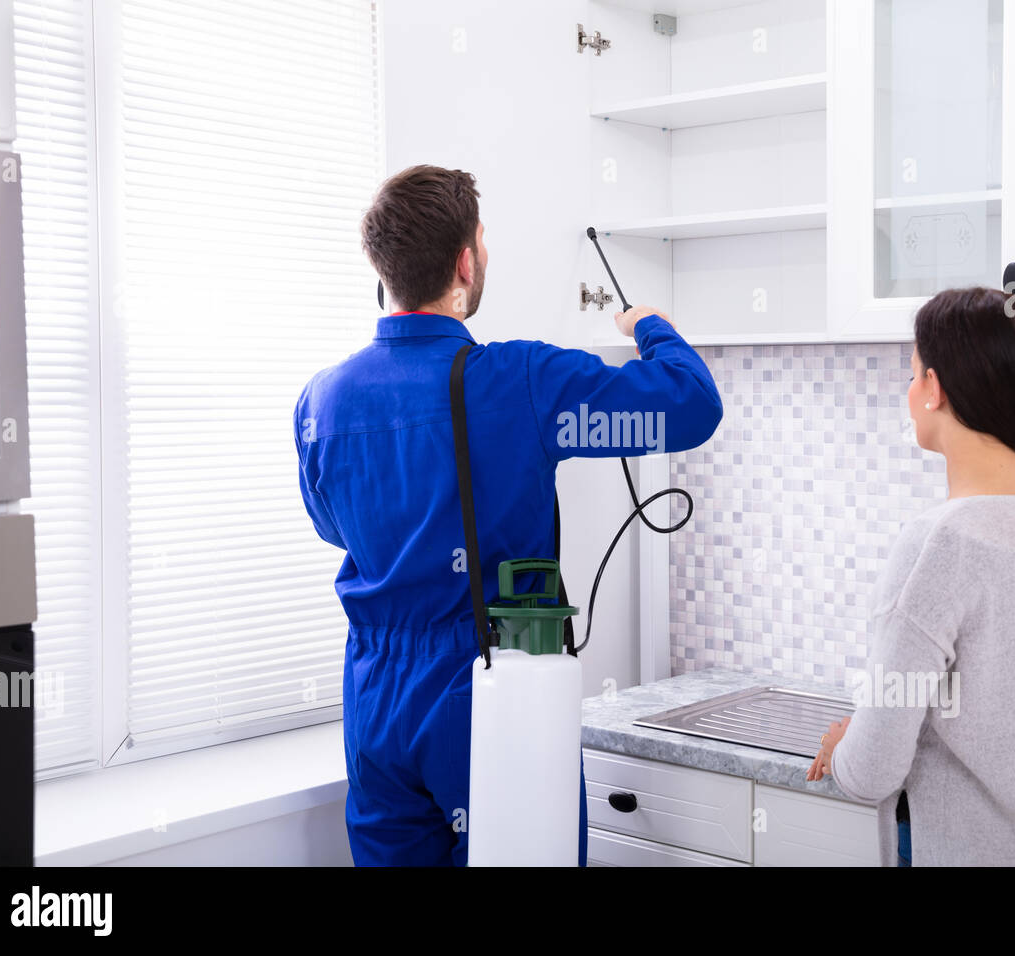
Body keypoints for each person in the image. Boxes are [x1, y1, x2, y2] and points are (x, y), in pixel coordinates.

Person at [293, 165, 723, 866]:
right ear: (465, 262)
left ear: (384, 267)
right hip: (493, 682)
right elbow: (691, 404)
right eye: (482, 244)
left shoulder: (323, 398)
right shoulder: (521, 381)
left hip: (374, 693)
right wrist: (654, 328)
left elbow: (335, 527)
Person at [806, 286, 1015, 866]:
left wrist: (844, 747)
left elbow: (871, 772)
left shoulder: (943, 542)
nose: (910, 391)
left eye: (914, 374)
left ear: (935, 389)